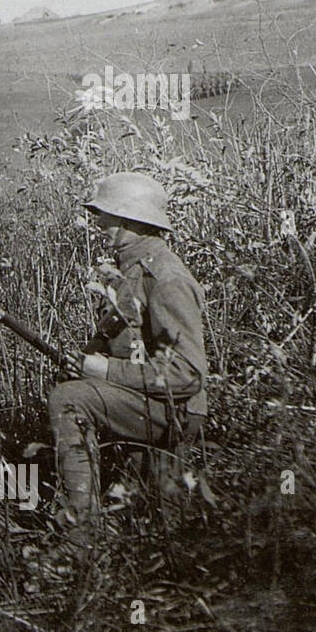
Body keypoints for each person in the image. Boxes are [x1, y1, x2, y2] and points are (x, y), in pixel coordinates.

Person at [48, 173, 208, 545]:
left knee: (69, 399)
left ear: (133, 221)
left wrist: (104, 370)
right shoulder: (131, 271)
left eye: (107, 216)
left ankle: (81, 536)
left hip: (175, 410)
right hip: (150, 402)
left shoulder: (165, 277)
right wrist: (89, 360)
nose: (99, 224)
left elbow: (188, 375)